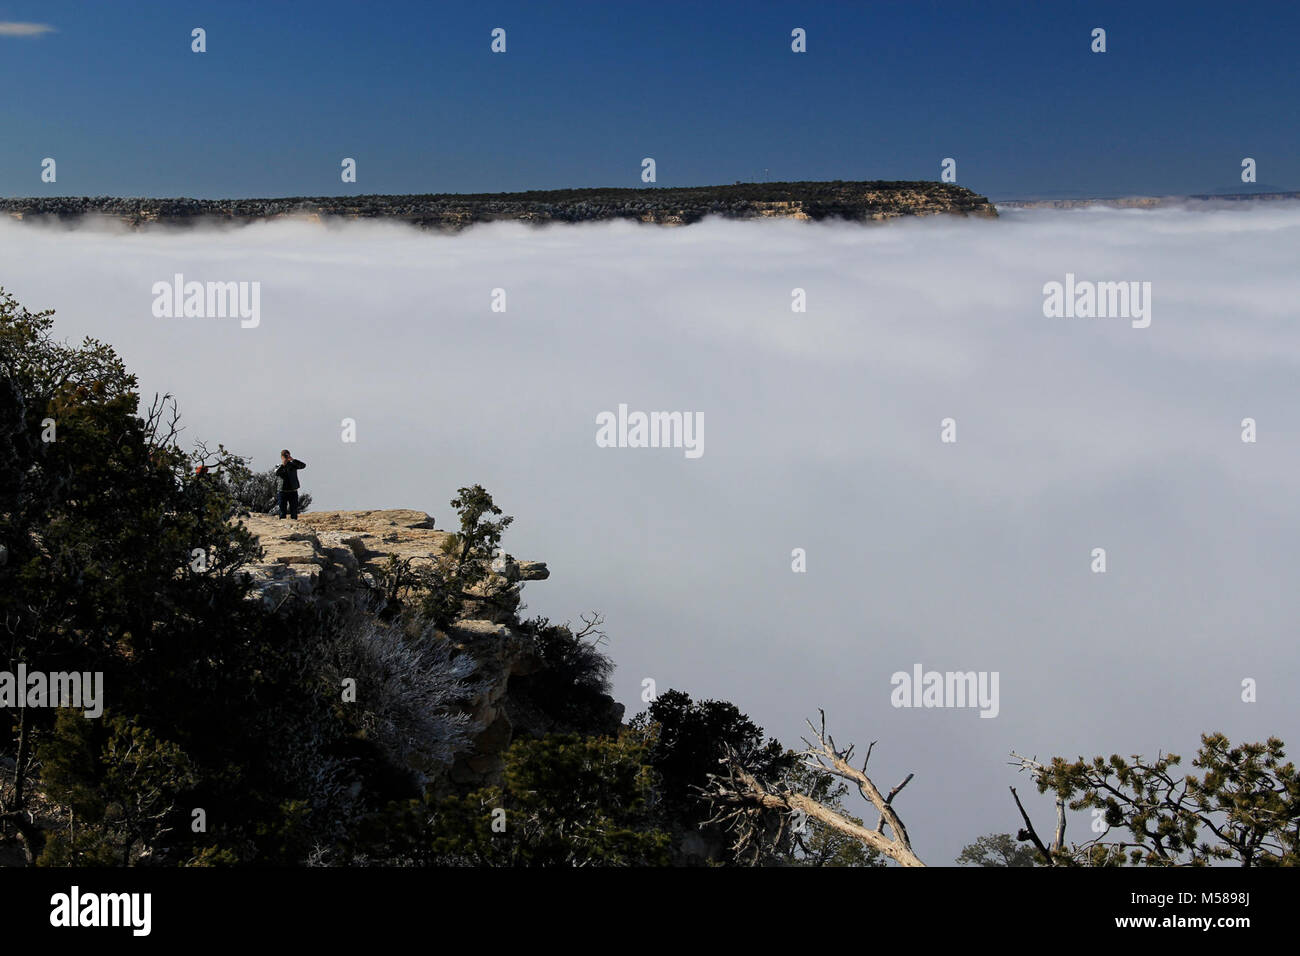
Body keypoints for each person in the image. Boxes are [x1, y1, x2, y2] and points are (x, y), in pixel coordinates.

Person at [275, 450, 306, 519]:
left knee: (294, 511)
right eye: (285, 456)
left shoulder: (293, 465)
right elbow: (277, 473)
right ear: (281, 457)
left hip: (293, 491)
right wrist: (283, 465)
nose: (286, 458)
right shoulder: (279, 466)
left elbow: (303, 465)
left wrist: (293, 460)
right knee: (282, 511)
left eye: (287, 456)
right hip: (282, 491)